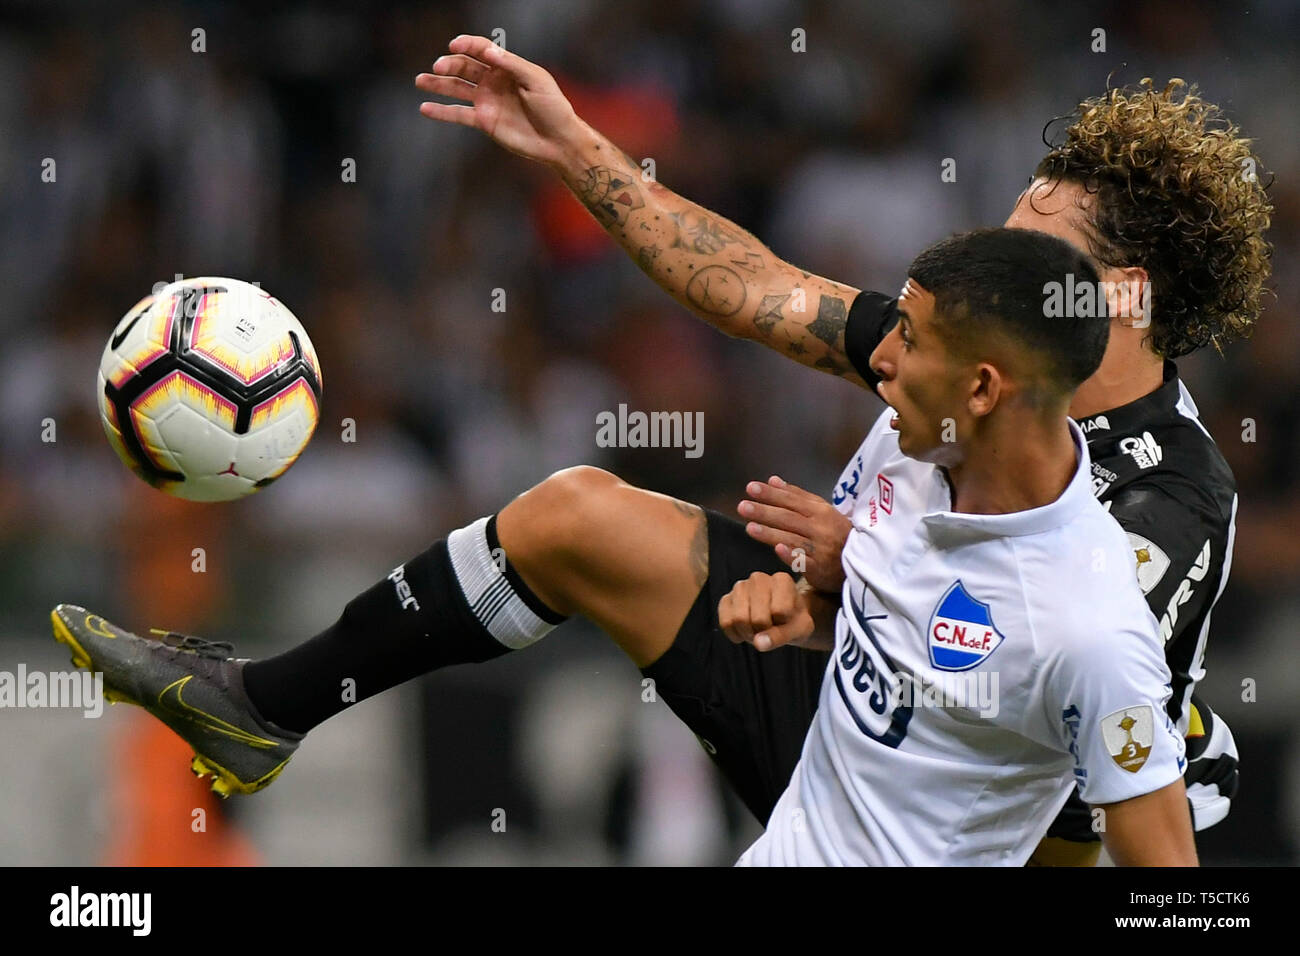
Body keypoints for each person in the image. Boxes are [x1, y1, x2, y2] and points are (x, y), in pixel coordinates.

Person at [53, 224, 1199, 865]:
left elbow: (1156, 871)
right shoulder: (930, 457)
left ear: (986, 384)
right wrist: (819, 607)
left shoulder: (1090, 622)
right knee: (573, 514)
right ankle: (261, 705)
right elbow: (939, 622)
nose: (878, 355)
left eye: (906, 335)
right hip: (806, 783)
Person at [413, 39, 1268, 863]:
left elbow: (1039, 664)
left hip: (1012, 818)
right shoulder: (957, 358)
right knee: (579, 514)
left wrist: (859, 564)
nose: (1002, 266)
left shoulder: (1174, 492)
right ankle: (279, 707)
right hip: (863, 713)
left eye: (1039, 256)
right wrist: (575, 147)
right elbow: (752, 285)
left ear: (1125, 293)